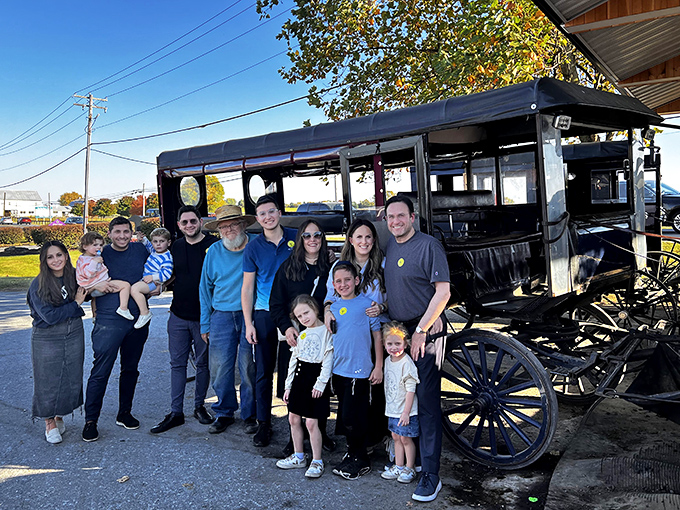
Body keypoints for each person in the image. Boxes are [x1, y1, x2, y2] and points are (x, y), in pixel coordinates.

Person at [383, 195, 450, 502]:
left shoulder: (429, 245)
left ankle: (431, 475)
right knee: (403, 396)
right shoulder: (392, 246)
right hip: (399, 331)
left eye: (400, 216)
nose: (395, 221)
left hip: (425, 330)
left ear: (412, 217)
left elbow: (443, 292)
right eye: (390, 217)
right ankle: (415, 458)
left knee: (426, 403)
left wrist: (422, 330)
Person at [82, 216, 156, 442]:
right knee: (101, 370)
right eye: (117, 232)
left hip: (138, 319)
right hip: (108, 320)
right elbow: (86, 287)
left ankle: (124, 413)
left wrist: (155, 288)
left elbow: (157, 275)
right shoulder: (99, 254)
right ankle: (90, 420)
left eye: (126, 232)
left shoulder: (141, 250)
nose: (122, 236)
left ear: (131, 232)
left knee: (130, 369)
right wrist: (97, 290)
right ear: (110, 233)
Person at [150, 205, 217, 434]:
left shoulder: (212, 245)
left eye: (193, 221)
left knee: (202, 365)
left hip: (204, 318)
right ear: (179, 225)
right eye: (184, 222)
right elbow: (169, 274)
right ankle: (176, 412)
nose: (189, 225)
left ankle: (199, 406)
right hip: (178, 315)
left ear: (200, 222)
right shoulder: (175, 247)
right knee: (177, 364)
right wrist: (157, 285)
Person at [269, 219, 335, 454]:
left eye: (317, 235)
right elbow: (275, 304)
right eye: (307, 236)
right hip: (296, 338)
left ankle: (322, 434)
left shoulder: (331, 267)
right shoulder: (288, 268)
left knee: (320, 384)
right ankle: (294, 437)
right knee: (296, 387)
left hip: (322, 337)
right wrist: (287, 328)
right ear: (300, 240)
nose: (312, 240)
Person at [323, 218, 388, 453]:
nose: (364, 241)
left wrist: (382, 307)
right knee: (352, 392)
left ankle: (377, 437)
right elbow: (330, 298)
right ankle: (357, 439)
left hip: (377, 332)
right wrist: (328, 310)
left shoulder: (382, 264)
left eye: (368, 237)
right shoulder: (340, 268)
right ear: (350, 240)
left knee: (376, 389)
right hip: (351, 334)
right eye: (359, 237)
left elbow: (393, 296)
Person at [242, 194, 297, 447]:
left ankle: (298, 425)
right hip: (264, 313)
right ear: (257, 219)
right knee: (264, 371)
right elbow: (247, 287)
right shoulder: (252, 247)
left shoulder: (297, 238)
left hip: (294, 315)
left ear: (279, 212)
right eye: (262, 214)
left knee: (294, 372)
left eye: (271, 211)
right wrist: (248, 322)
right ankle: (264, 424)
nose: (268, 217)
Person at [200, 205, 258, 434]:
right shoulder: (213, 252)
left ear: (243, 225)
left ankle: (251, 414)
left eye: (233, 224)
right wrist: (206, 323)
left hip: (250, 315)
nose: (229, 230)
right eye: (223, 227)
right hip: (221, 315)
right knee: (220, 367)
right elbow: (204, 289)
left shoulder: (256, 245)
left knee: (248, 366)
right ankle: (224, 412)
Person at [28, 241, 88, 444]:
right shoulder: (38, 284)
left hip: (73, 332)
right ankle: (49, 422)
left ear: (66, 255)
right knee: (47, 379)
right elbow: (50, 317)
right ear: (44, 261)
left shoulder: (73, 276)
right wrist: (76, 304)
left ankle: (60, 415)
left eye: (59, 255)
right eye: (50, 257)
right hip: (47, 336)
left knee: (70, 376)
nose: (56, 260)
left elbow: (89, 290)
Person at [329, 261, 383, 480]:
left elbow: (377, 337)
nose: (343, 284)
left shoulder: (367, 305)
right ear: (333, 284)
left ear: (357, 281)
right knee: (345, 416)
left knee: (355, 416)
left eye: (347, 280)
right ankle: (351, 453)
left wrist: (378, 365)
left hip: (359, 371)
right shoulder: (332, 308)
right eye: (339, 281)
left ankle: (361, 459)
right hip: (338, 370)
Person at [275, 295, 333, 479]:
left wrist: (321, 383)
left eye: (306, 313)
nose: (304, 318)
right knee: (293, 419)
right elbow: (294, 360)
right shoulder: (303, 334)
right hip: (299, 380)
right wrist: (287, 387)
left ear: (315, 309)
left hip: (315, 381)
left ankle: (317, 460)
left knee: (311, 422)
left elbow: (328, 359)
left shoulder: (326, 331)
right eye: (299, 317)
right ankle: (298, 455)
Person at [380, 321, 419, 484]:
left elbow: (411, 390)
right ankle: (399, 465)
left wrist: (406, 412)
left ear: (405, 343)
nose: (394, 347)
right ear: (384, 344)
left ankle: (410, 467)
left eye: (398, 343)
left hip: (406, 410)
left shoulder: (406, 363)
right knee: (395, 436)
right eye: (390, 344)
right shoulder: (388, 361)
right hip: (393, 408)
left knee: (405, 439)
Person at [75, 231, 132, 319]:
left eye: (101, 245)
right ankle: (123, 308)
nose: (99, 247)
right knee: (125, 285)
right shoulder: (87, 260)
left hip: (93, 287)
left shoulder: (86, 258)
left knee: (95, 300)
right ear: (85, 246)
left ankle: (95, 316)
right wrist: (95, 262)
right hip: (96, 286)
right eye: (95, 245)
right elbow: (88, 274)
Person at [131, 227, 174, 329]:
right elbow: (149, 246)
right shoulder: (154, 252)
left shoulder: (167, 257)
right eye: (155, 241)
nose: (158, 244)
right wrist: (143, 240)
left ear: (168, 243)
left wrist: (153, 277)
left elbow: (166, 274)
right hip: (146, 280)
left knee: (135, 289)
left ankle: (145, 312)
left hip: (153, 282)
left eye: (161, 241)